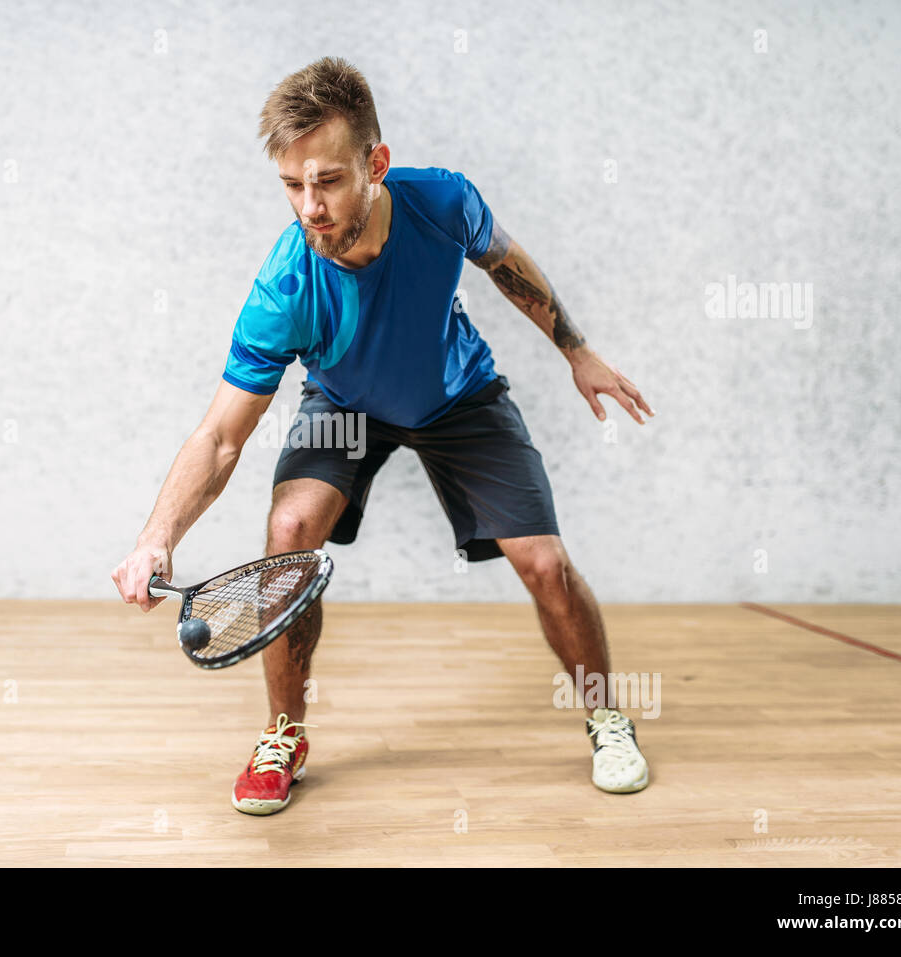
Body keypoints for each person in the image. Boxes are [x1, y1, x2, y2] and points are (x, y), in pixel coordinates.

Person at [112, 56, 655, 815]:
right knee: (290, 529)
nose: (310, 207)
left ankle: (607, 715)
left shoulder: (442, 201)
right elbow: (219, 437)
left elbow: (507, 265)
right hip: (345, 405)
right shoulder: (286, 286)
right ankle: (282, 735)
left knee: (545, 563)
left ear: (377, 164)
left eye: (328, 181)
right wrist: (155, 536)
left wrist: (576, 348)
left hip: (457, 394)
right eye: (292, 186)